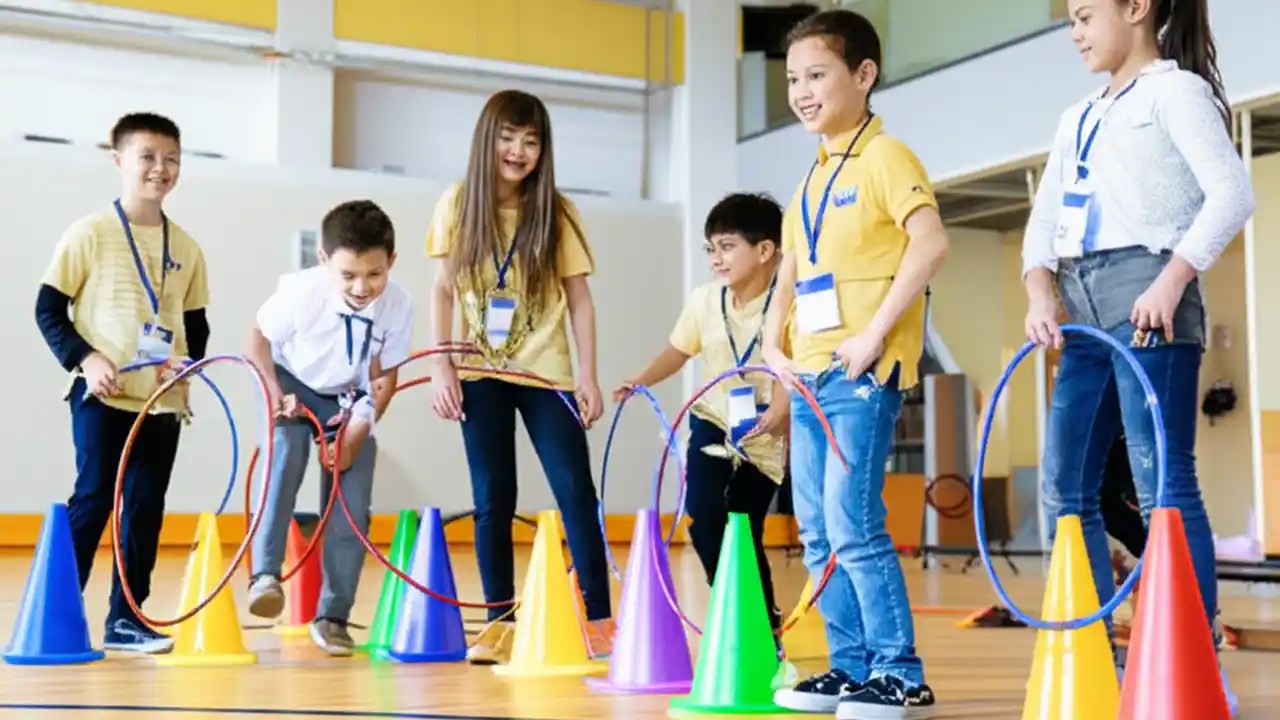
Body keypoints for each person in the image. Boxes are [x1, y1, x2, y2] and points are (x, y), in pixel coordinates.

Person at [1023, 0, 1253, 709]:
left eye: (1087, 15)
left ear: (1136, 8)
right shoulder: (1077, 116)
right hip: (1079, 305)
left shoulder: (1176, 91)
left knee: (1163, 488)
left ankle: (1194, 661)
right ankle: (1099, 656)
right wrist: (1039, 294)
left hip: (1149, 290)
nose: (1076, 32)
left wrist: (1172, 277)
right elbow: (1041, 230)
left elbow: (1232, 194)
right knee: (1066, 489)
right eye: (1071, 20)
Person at [761, 9, 949, 718]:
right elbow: (786, 284)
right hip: (807, 377)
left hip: (861, 375)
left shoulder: (885, 157)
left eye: (817, 75)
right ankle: (849, 666)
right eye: (792, 79)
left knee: (853, 521)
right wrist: (772, 349)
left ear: (864, 76)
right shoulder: (808, 181)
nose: (803, 91)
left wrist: (873, 335)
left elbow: (929, 246)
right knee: (815, 528)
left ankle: (899, 670)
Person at [425, 89, 613, 665]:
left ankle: (600, 619)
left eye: (531, 141)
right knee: (492, 498)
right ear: (488, 140)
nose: (519, 150)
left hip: (547, 374)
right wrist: (441, 363)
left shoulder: (557, 211)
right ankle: (499, 622)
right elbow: (442, 289)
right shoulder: (458, 203)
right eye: (508, 137)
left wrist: (588, 376)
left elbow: (580, 300)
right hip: (479, 371)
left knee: (576, 493)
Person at [33, 112, 210, 654]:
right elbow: (48, 310)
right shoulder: (90, 233)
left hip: (161, 403)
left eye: (171, 158)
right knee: (92, 499)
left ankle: (126, 619)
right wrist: (86, 360)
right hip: (104, 398)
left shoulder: (187, 246)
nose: (161, 168)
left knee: (145, 508)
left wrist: (185, 363)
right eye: (148, 157)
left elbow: (196, 326)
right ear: (119, 161)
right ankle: (60, 613)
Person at [614, 192, 790, 637]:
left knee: (744, 526)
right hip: (713, 418)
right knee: (704, 514)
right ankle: (732, 604)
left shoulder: (789, 302)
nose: (716, 258)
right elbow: (678, 350)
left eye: (727, 246)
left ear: (765, 250)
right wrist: (641, 379)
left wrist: (780, 414)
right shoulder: (704, 301)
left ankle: (762, 621)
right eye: (710, 248)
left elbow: (799, 366)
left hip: (765, 434)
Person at [243, 199, 412, 656]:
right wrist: (274, 393)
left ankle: (333, 615)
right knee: (287, 452)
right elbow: (258, 340)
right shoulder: (301, 293)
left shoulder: (397, 305)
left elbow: (384, 377)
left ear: (391, 262)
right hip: (292, 382)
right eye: (349, 275)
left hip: (349, 399)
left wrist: (357, 431)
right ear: (324, 262)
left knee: (351, 504)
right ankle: (264, 574)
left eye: (374, 274)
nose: (362, 287)